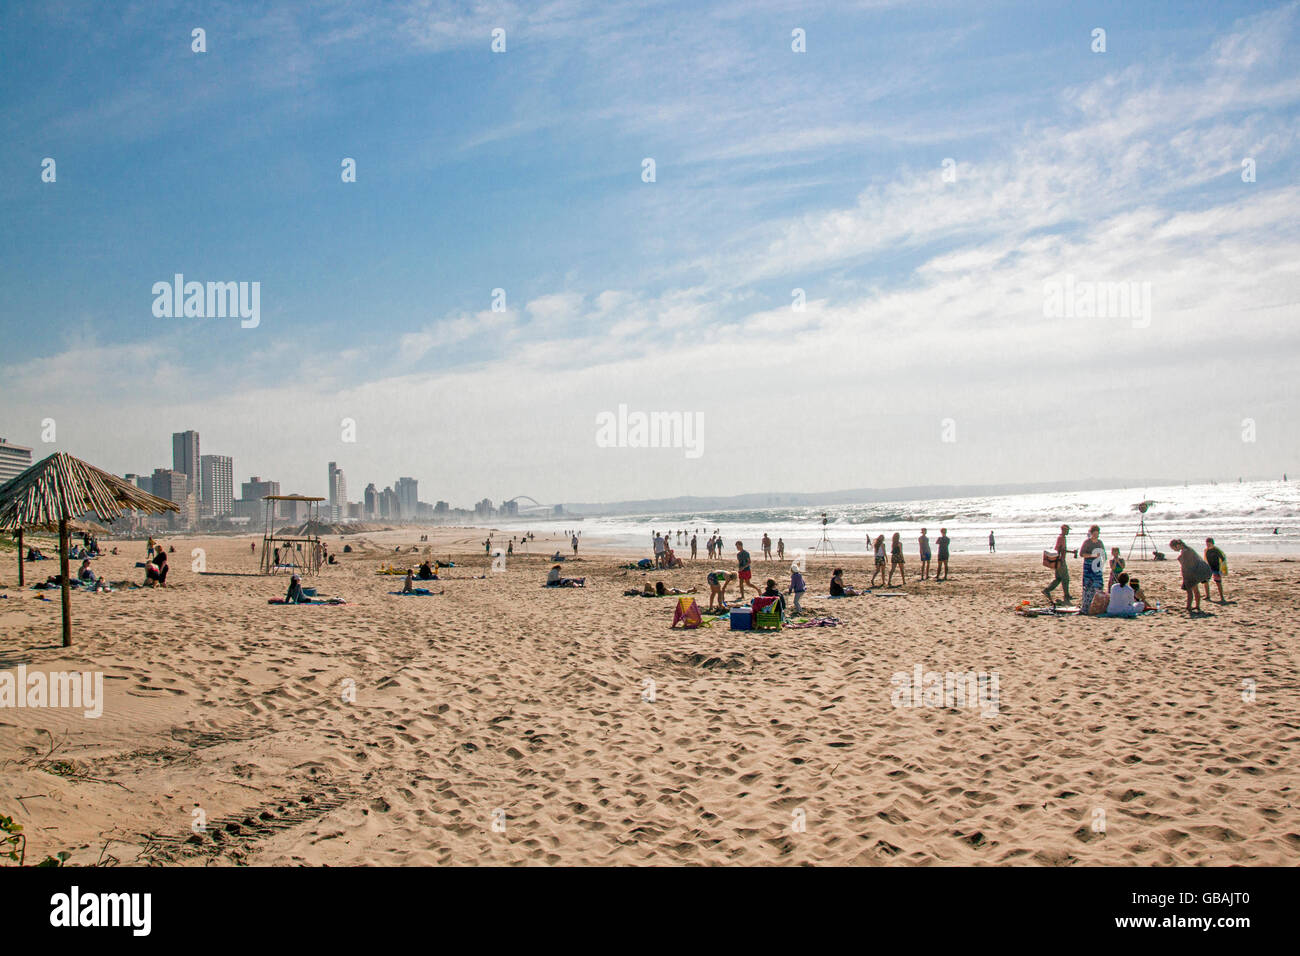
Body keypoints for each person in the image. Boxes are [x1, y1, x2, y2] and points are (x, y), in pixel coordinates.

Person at [1171, 539, 1211, 613]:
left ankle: (1189, 607)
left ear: (1178, 545)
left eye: (1174, 548)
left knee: (1190, 591)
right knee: (1195, 590)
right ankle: (1197, 606)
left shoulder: (1186, 551)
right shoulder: (1187, 550)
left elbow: (1188, 563)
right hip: (1194, 571)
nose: (1174, 550)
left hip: (1191, 572)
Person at [1042, 524, 1073, 605]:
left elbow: (1061, 549)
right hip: (1060, 560)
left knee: (1059, 578)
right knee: (1065, 578)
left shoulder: (1062, 538)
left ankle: (1047, 590)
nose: (1068, 531)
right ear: (1063, 529)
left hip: (1059, 560)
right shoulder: (1061, 538)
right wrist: (1071, 552)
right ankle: (1066, 595)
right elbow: (1060, 549)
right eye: (1067, 530)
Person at [1079, 525, 1105, 615]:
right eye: (1094, 533)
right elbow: (1081, 554)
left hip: (1097, 566)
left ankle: (1097, 605)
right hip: (1088, 566)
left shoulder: (1099, 542)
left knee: (1098, 585)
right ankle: (1086, 607)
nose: (1096, 535)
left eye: (1097, 534)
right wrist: (1092, 555)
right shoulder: (1087, 542)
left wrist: (1102, 560)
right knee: (1088, 586)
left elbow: (1103, 553)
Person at [1203, 538, 1227, 603]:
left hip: (1216, 568)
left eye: (1209, 543)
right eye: (1207, 544)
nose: (1207, 545)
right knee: (1205, 581)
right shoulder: (1206, 550)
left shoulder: (1216, 550)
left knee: (1218, 583)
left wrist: (1221, 568)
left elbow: (1223, 558)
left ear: (1212, 543)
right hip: (1208, 568)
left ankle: (1222, 597)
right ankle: (1207, 596)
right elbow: (1205, 559)